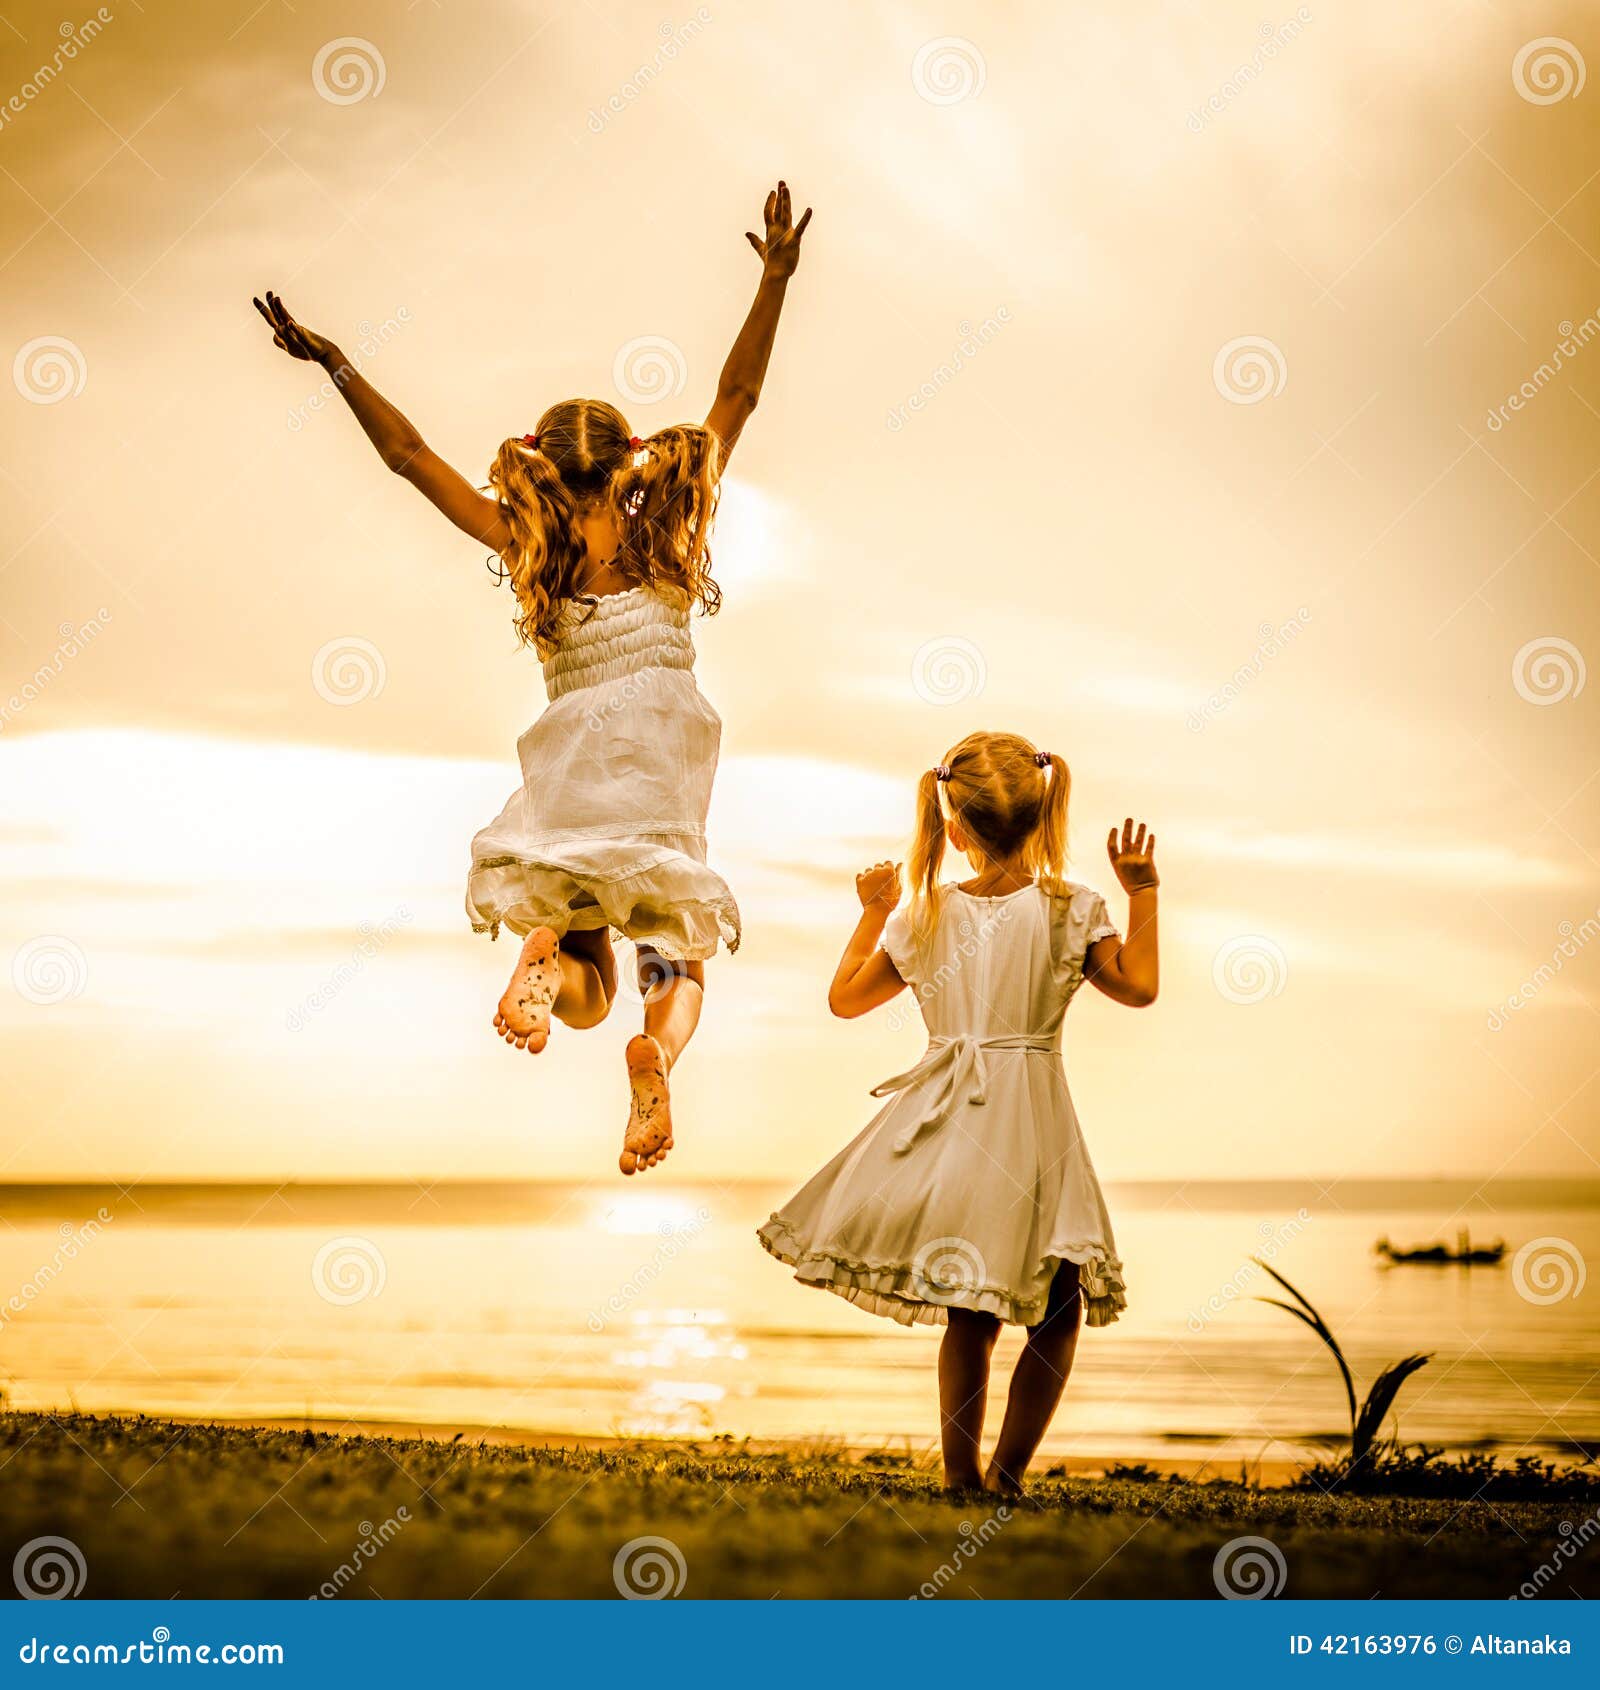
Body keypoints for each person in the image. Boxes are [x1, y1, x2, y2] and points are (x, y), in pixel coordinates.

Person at [252, 182, 812, 1175]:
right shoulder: (668, 530)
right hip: (661, 761)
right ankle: (659, 1057)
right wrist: (772, 279)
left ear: (539, 465)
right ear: (633, 460)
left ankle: (551, 945)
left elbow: (408, 456)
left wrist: (336, 363)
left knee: (588, 951)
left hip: (573, 764)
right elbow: (737, 398)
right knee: (672, 952)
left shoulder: (524, 540)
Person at [758, 731, 1159, 1492]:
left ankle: (960, 1477)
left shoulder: (925, 915)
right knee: (1058, 1304)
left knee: (968, 1309)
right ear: (1044, 819)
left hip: (948, 1119)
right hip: (1035, 1118)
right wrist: (1144, 891)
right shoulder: (1075, 908)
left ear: (954, 829)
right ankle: (1005, 1475)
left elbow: (845, 1000)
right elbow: (1139, 987)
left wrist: (874, 911)